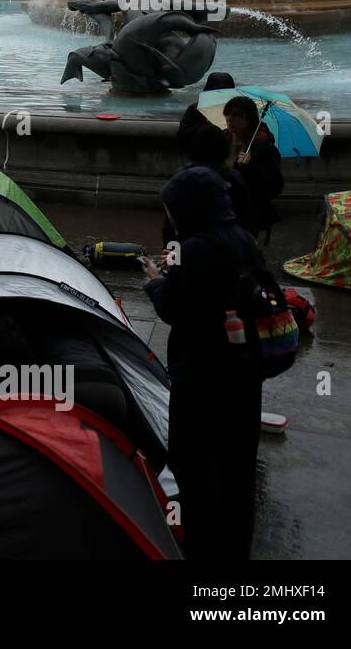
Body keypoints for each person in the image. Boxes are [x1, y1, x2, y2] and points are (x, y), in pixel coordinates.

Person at [142, 165, 266, 560]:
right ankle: (234, 544)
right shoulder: (245, 239)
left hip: (201, 374)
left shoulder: (193, 250)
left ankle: (198, 544)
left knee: (194, 463)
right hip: (244, 372)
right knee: (236, 466)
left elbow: (175, 309)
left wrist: (155, 281)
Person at [223, 95, 283, 241]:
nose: (230, 118)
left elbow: (275, 186)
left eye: (237, 115)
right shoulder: (220, 141)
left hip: (247, 213)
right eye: (228, 114)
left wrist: (252, 166)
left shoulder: (263, 149)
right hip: (221, 207)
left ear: (248, 120)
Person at [178, 72, 236, 152]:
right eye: (217, 91)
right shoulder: (196, 109)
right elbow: (183, 135)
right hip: (200, 153)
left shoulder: (235, 111)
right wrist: (204, 124)